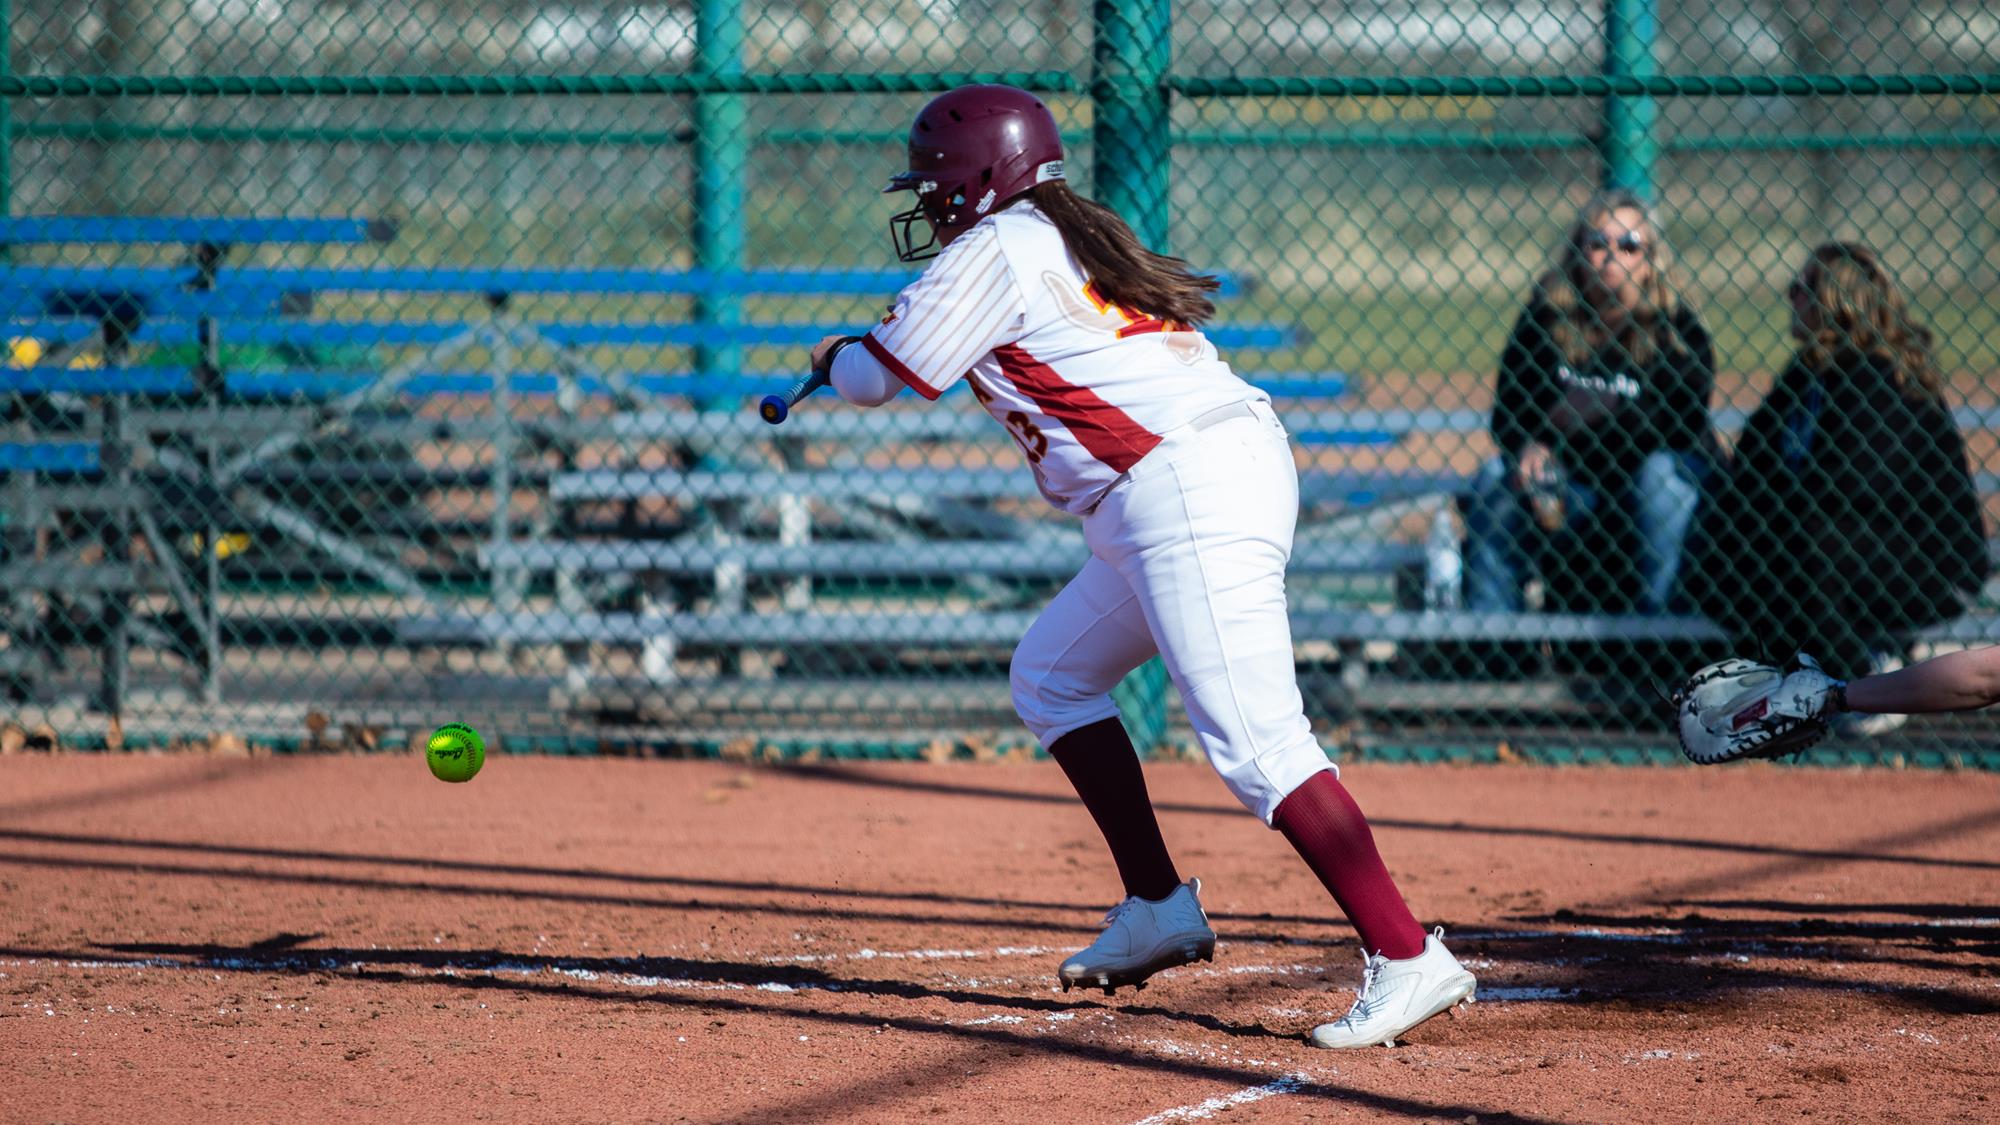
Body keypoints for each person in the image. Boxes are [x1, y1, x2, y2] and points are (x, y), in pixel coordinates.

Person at [805, 84, 1475, 1049]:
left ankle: (1408, 954)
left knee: (1259, 745)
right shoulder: (1058, 231)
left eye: (938, 180)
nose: (927, 198)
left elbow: (880, 378)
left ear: (980, 176)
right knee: (1052, 672)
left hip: (1184, 487)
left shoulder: (995, 246)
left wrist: (835, 356)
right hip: (1178, 484)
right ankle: (1158, 902)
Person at [1684, 242, 1989, 705]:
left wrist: (1776, 501)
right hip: (1841, 544)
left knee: (1812, 534)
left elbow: (1859, 485)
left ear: (1834, 302)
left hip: (1930, 563)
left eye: (1799, 290)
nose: (1790, 299)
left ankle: (1864, 681)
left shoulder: (1880, 376)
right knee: (1738, 547)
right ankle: (1784, 680)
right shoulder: (1806, 373)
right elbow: (1751, 462)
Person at [1466, 191, 1716, 618]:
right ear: (1579, 253)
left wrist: (1603, 410)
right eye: (1598, 243)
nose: (1611, 257)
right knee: (1494, 478)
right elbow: (1508, 412)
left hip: (1639, 482)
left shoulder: (1676, 328)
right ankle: (1495, 647)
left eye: (1629, 245)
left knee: (1662, 481)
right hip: (1570, 485)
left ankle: (1664, 643)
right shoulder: (1546, 319)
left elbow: (1683, 418)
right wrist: (1532, 442)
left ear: (1649, 257)